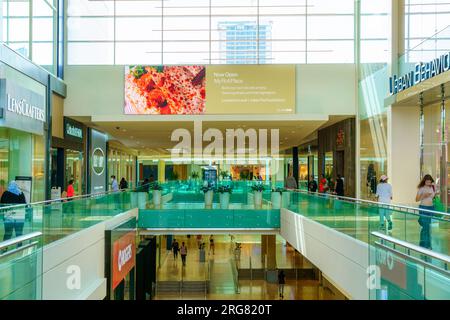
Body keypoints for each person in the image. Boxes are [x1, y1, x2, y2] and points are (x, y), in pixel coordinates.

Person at [415, 174, 435, 249]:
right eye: (427, 182)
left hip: (430, 208)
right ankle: (426, 245)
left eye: (430, 182)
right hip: (423, 208)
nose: (429, 183)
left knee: (427, 226)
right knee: (426, 227)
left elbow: (432, 197)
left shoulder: (432, 187)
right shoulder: (421, 188)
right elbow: (416, 199)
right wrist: (424, 196)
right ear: (424, 181)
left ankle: (424, 244)